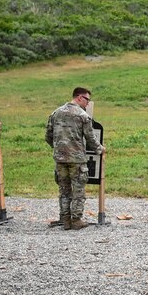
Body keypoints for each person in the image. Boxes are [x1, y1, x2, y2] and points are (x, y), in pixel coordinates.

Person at [45, 87, 104, 231]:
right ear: (79, 97)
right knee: (78, 191)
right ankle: (76, 220)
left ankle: (65, 220)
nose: (88, 104)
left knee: (64, 190)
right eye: (87, 100)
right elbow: (91, 137)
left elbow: (48, 135)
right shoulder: (82, 115)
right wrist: (100, 149)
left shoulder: (56, 113)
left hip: (60, 159)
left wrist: (58, 148)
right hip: (76, 159)